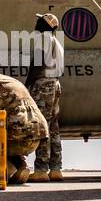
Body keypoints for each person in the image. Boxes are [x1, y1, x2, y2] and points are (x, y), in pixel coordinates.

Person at [26, 13, 64, 181]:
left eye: (39, 20)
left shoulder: (43, 38)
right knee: (54, 127)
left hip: (42, 84)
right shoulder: (57, 42)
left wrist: (27, 85)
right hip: (55, 84)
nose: (36, 22)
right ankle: (56, 169)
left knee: (42, 126)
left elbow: (37, 64)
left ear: (44, 24)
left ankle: (41, 170)